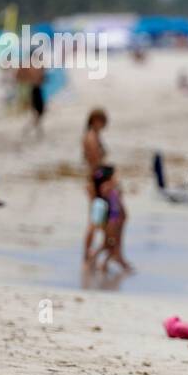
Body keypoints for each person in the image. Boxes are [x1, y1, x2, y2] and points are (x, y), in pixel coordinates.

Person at [82, 109, 108, 265]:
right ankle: (87, 255)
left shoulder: (93, 136)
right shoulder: (91, 138)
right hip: (95, 181)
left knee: (97, 220)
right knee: (95, 220)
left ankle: (91, 254)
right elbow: (95, 163)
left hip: (94, 180)